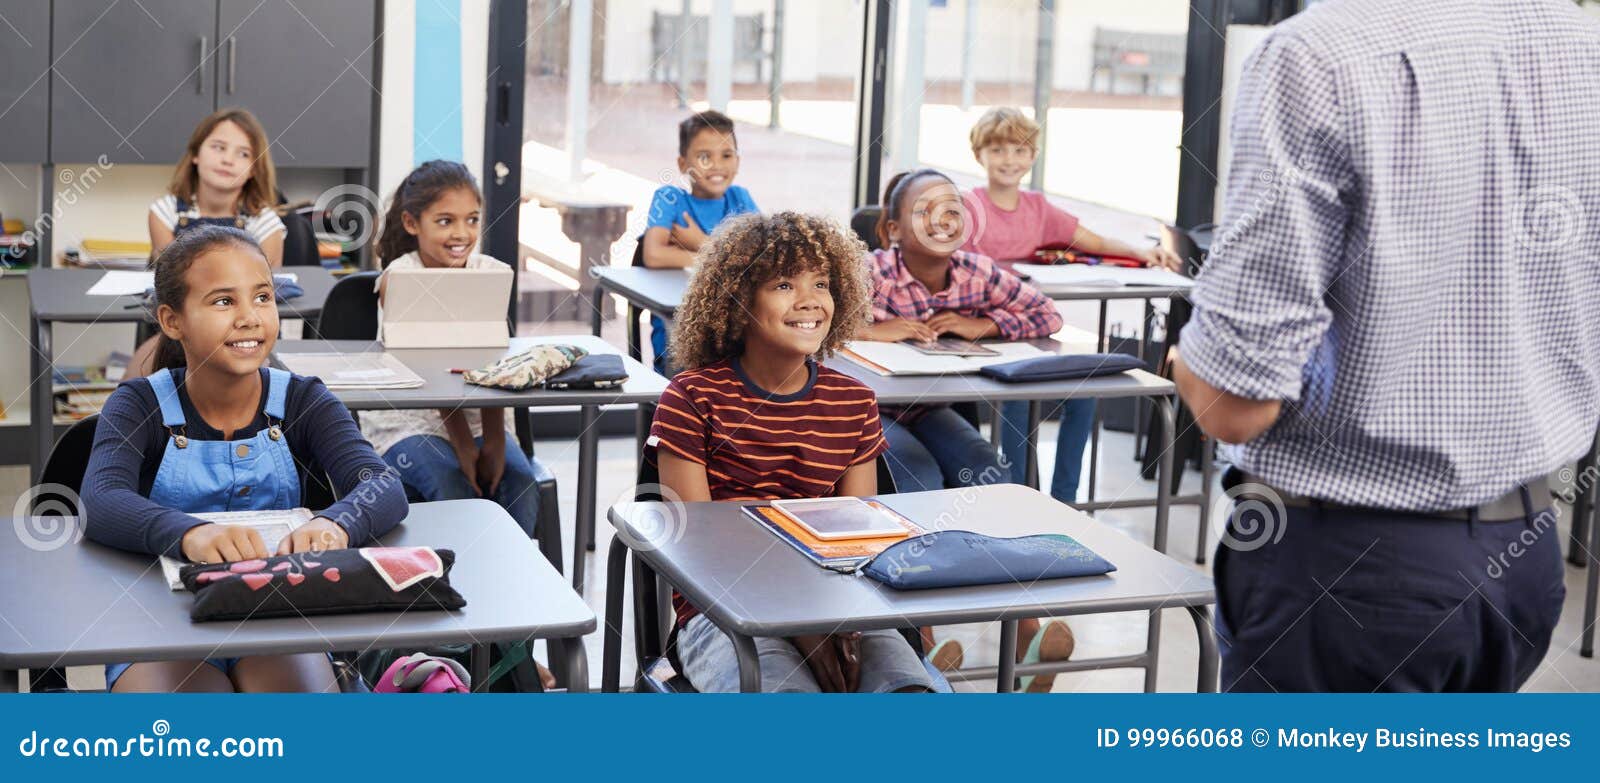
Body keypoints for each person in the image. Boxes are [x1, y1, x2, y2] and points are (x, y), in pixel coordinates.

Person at [1171, 0, 1600, 692]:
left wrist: (1188, 364)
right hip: (1523, 557)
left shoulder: (1317, 56)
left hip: (1351, 576)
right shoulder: (1588, 49)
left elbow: (1234, 403)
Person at [82, 225, 408, 692]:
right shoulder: (138, 404)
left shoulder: (304, 400)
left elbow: (380, 484)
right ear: (172, 321)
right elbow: (100, 499)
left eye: (262, 297)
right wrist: (190, 533)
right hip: (157, 623)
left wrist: (336, 523)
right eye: (222, 302)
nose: (250, 317)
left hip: (278, 618)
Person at [649, 211, 934, 692]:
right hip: (723, 611)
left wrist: (835, 620)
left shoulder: (854, 401)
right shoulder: (691, 397)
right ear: (737, 300)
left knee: (911, 697)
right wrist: (803, 630)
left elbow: (856, 539)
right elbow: (699, 549)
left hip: (839, 606)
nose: (809, 301)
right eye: (783, 284)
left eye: (821, 283)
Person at [862, 168, 1077, 690]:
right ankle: (923, 636)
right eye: (924, 210)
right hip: (872, 411)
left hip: (927, 408)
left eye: (952, 210)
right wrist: (872, 329)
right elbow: (814, 322)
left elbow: (1046, 314)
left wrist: (985, 324)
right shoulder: (869, 271)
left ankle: (1027, 632)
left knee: (989, 471)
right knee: (917, 478)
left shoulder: (976, 271)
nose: (942, 219)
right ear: (892, 230)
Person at [962, 107, 1179, 504]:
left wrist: (1143, 251)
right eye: (997, 150)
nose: (1009, 159)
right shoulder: (967, 206)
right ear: (980, 156)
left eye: (1018, 149)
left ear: (1032, 156)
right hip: (986, 329)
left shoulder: (1038, 208)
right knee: (1019, 399)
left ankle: (1063, 502)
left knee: (1084, 394)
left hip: (1032, 327)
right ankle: (1024, 499)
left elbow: (1091, 241)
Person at [131, 108, 287, 377]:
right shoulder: (164, 212)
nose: (228, 160)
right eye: (218, 147)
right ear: (195, 154)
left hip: (246, 337)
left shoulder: (266, 223)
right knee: (141, 369)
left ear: (254, 169)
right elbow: (171, 283)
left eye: (243, 154)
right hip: (181, 334)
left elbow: (265, 295)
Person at [638, 110, 760, 375]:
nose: (717, 165)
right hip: (680, 333)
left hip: (736, 331)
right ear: (683, 164)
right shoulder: (669, 198)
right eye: (704, 156)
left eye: (726, 155)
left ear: (737, 162)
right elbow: (654, 255)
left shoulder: (740, 199)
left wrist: (702, 243)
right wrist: (725, 257)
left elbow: (760, 261)